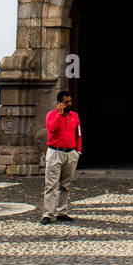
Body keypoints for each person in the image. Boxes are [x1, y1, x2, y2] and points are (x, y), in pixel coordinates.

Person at [41, 90, 81, 224]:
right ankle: (48, 213)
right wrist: (59, 115)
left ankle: (61, 211)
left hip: (70, 153)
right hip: (55, 153)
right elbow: (51, 129)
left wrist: (78, 150)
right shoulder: (51, 115)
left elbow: (78, 133)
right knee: (51, 184)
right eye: (66, 102)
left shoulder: (75, 116)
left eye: (70, 102)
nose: (69, 104)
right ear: (59, 103)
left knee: (66, 185)